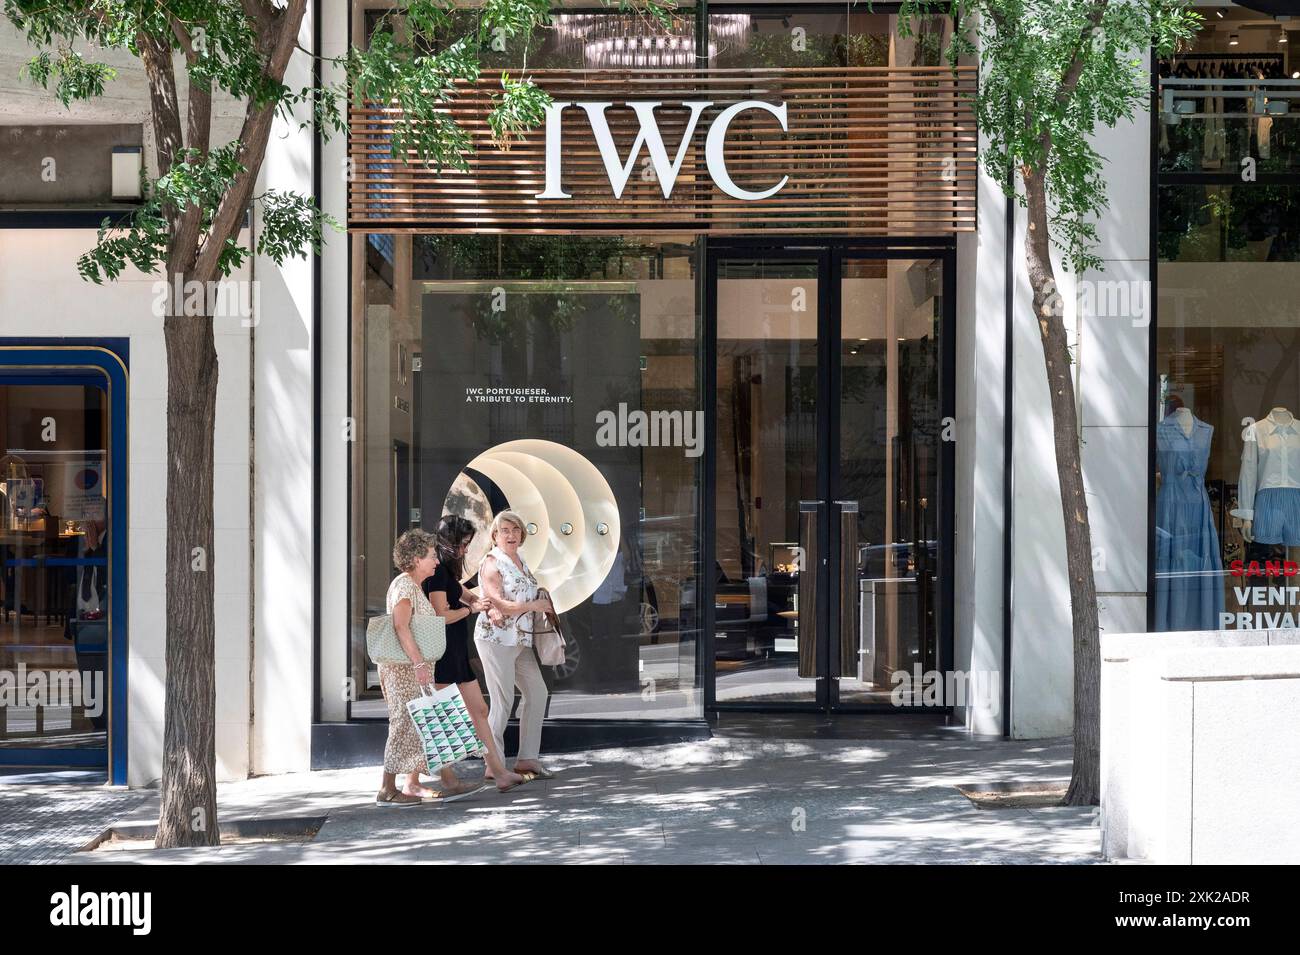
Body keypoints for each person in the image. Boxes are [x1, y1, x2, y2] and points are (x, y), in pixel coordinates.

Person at [376, 528, 485, 807]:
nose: (436, 561)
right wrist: (419, 663)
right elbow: (401, 626)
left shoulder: (412, 586)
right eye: (430, 555)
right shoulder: (404, 586)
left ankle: (441, 780)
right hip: (403, 670)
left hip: (412, 668)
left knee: (423, 723)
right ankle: (387, 789)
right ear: (414, 558)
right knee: (402, 724)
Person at [423, 514, 526, 792]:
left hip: (454, 650)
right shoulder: (438, 571)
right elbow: (440, 613)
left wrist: (476, 600)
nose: (465, 549)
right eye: (463, 543)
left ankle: (497, 771)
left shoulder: (445, 571)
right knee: (442, 715)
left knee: (479, 709)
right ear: (451, 543)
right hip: (442, 653)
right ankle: (445, 778)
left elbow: (463, 593)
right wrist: (471, 609)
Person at [474, 510, 557, 780]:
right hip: (496, 639)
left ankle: (527, 760)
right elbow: (496, 602)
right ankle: (493, 765)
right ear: (495, 536)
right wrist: (534, 604)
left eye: (515, 530)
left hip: (520, 640)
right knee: (502, 701)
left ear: (522, 534)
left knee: (538, 693)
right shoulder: (492, 562)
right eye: (504, 531)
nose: (511, 535)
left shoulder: (519, 559)